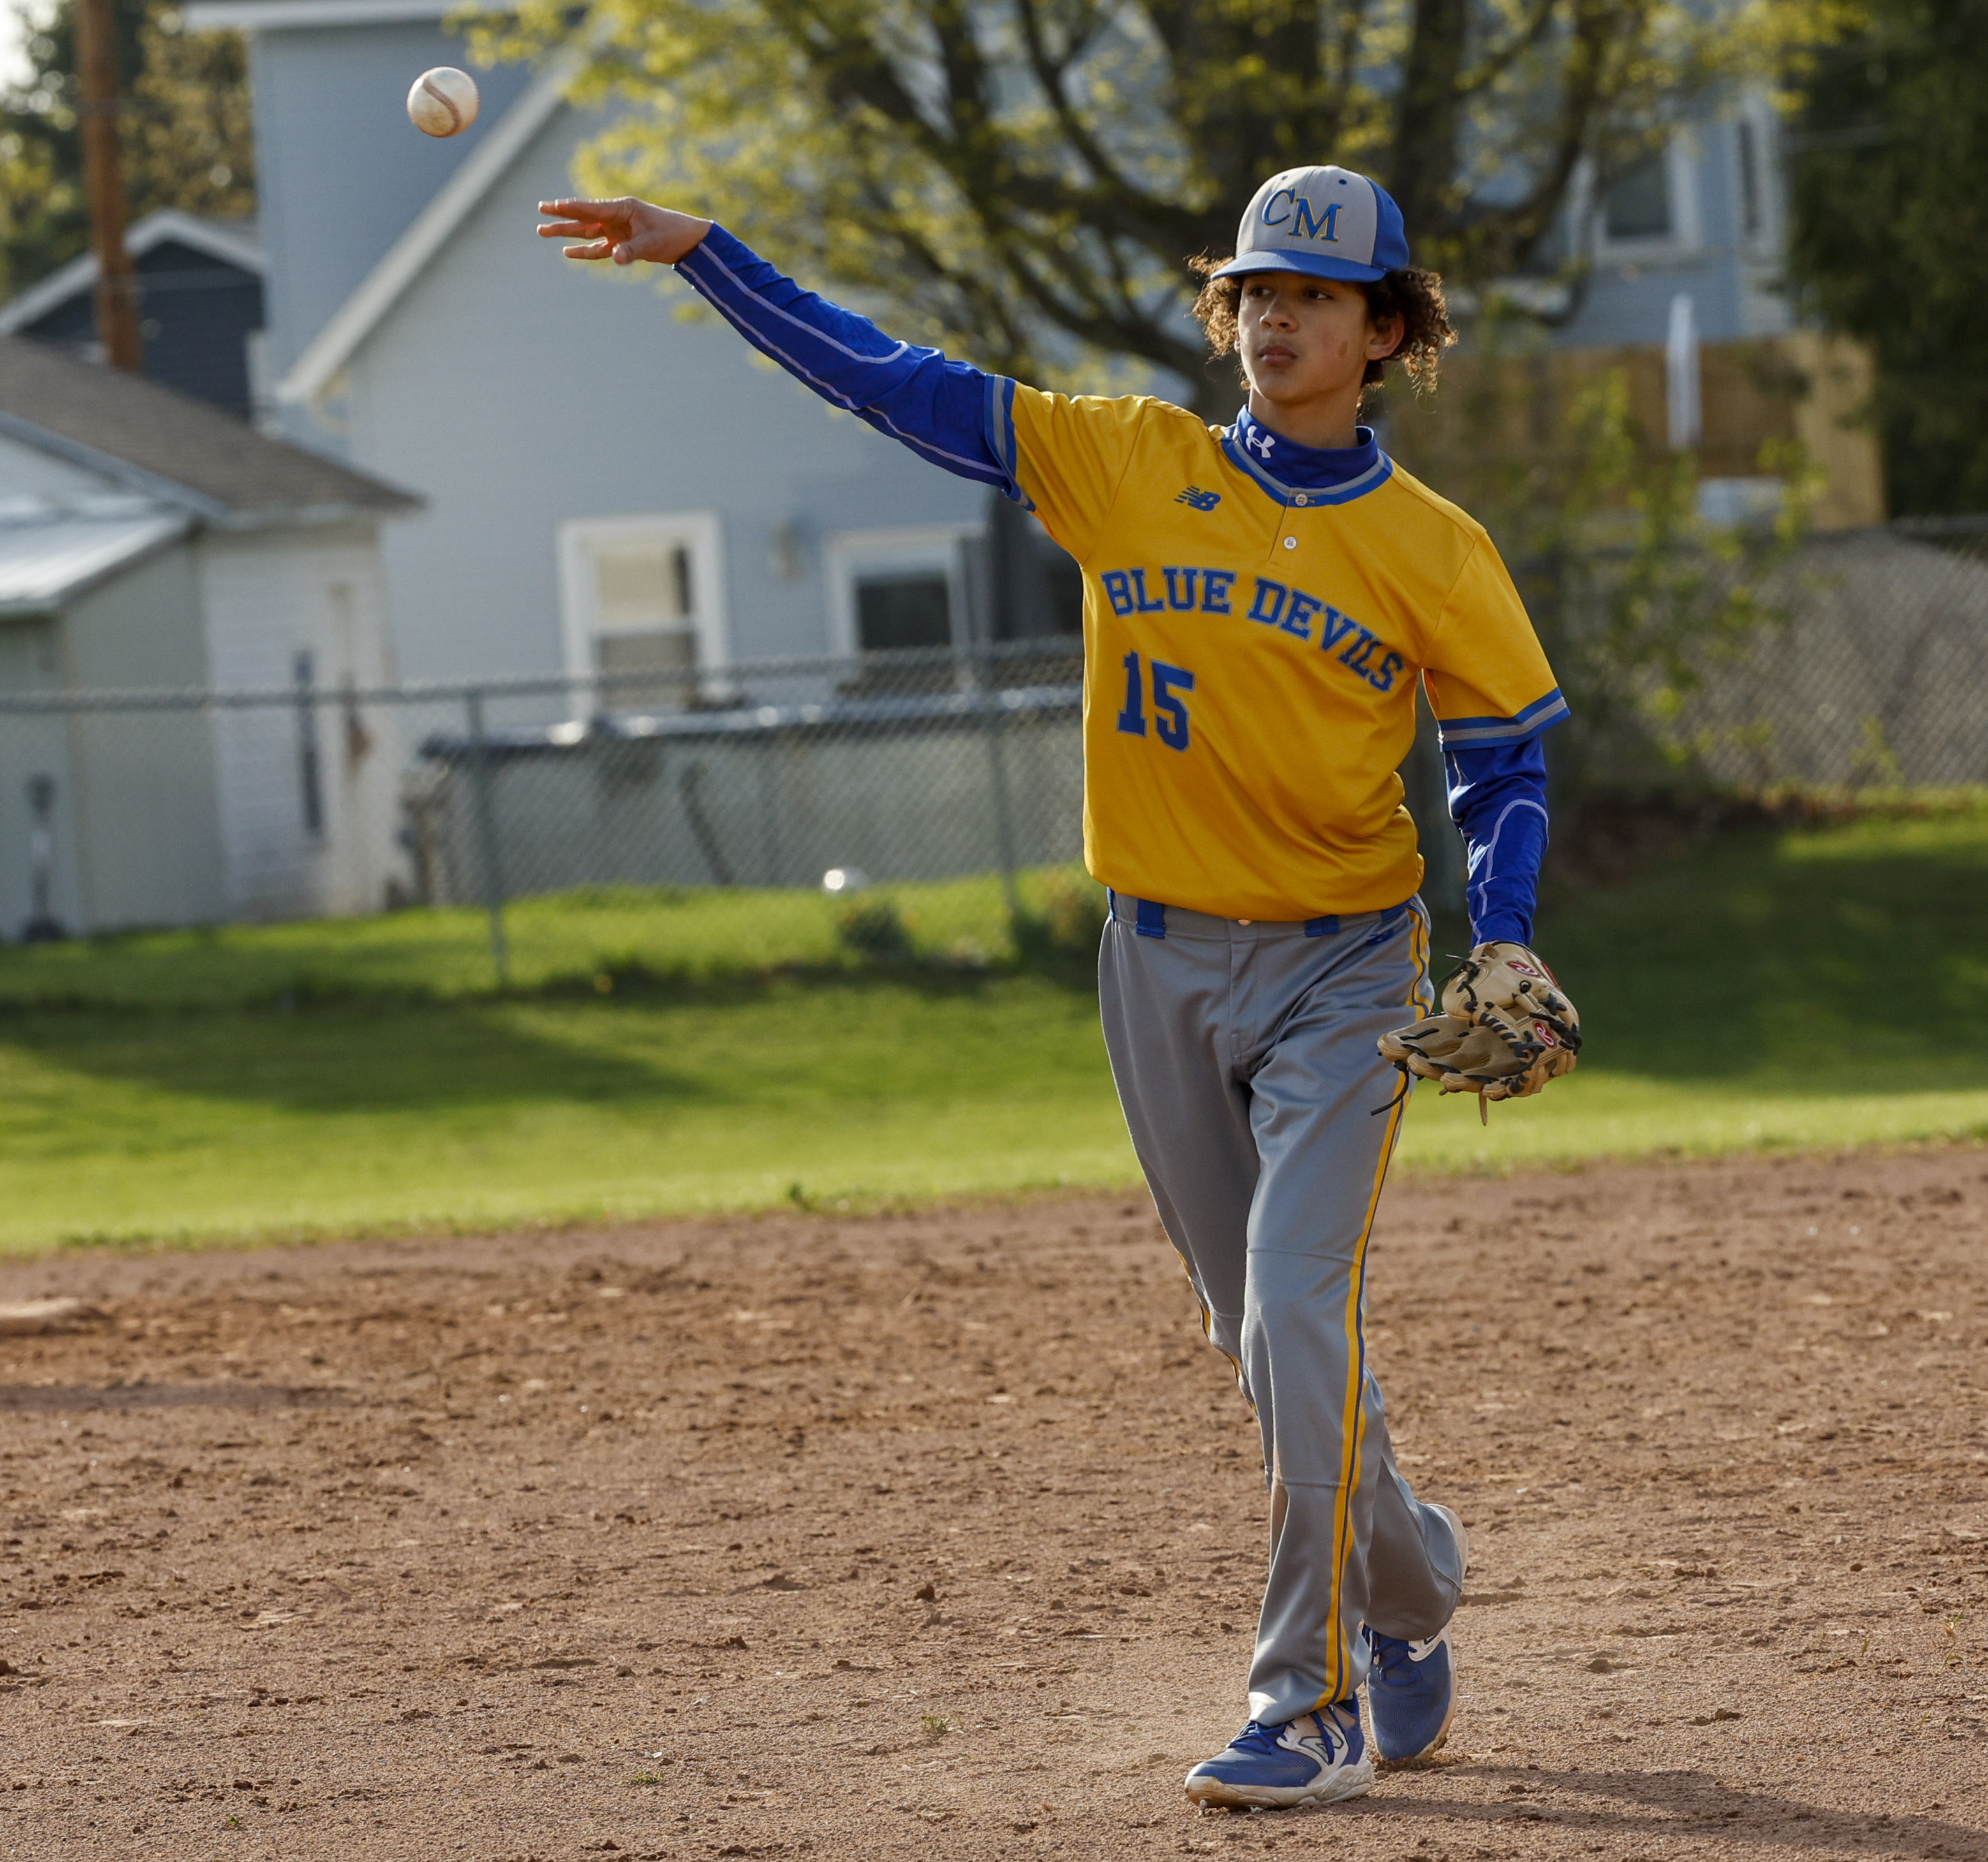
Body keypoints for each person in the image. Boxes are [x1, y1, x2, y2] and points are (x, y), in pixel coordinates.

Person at [537, 164, 1571, 1812]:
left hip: (1344, 969)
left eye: (1313, 296)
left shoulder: (1426, 547)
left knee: (1298, 1306)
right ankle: (1412, 1581)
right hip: (1153, 957)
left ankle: (1295, 1703)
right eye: (1253, 292)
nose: (1274, 317)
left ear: (1384, 330)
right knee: (1259, 1335)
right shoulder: (1120, 462)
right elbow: (894, 383)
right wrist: (709, 258)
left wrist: (1500, 926)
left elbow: (1502, 752)